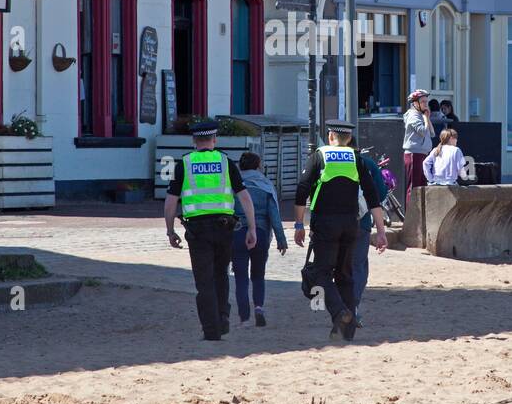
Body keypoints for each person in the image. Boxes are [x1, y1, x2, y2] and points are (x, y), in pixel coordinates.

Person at [293, 121, 387, 341]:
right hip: (350, 224)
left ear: (330, 135)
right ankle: (346, 330)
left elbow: (302, 189)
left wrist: (299, 225)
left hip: (325, 223)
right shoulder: (357, 159)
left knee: (321, 272)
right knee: (345, 275)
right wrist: (381, 231)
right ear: (348, 138)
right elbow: (373, 196)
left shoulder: (319, 156)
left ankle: (340, 312)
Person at [164, 121, 257, 341]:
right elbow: (244, 196)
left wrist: (170, 231)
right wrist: (252, 227)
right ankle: (223, 315)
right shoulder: (225, 161)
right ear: (214, 140)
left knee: (204, 281)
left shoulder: (184, 164)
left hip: (197, 231)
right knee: (220, 274)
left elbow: (170, 201)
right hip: (224, 227)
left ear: (194, 141)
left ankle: (211, 329)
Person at [231, 152, 287, 327]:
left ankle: (244, 316)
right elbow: (274, 215)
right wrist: (281, 239)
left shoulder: (233, 185)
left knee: (240, 275)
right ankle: (259, 307)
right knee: (258, 274)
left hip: (238, 232)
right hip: (261, 233)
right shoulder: (266, 185)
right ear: (258, 166)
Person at [351, 145, 389, 328]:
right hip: (360, 223)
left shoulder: (325, 161)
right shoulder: (367, 164)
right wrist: (381, 231)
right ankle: (352, 308)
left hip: (331, 225)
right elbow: (380, 194)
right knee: (358, 268)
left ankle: (338, 307)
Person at [402, 89, 435, 206]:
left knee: (422, 186)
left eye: (427, 101)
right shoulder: (413, 115)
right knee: (414, 186)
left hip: (422, 154)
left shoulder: (422, 115)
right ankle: (411, 218)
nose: (426, 104)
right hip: (414, 154)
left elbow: (432, 133)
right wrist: (425, 118)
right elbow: (422, 131)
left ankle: (420, 217)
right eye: (423, 102)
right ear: (415, 103)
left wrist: (427, 117)